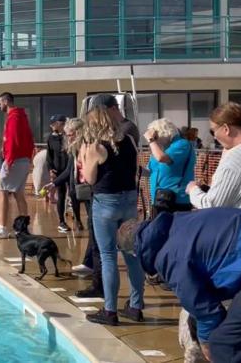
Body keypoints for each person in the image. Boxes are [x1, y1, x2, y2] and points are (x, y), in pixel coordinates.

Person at [125, 208, 241, 363]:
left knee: (225, 344)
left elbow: (207, 313)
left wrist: (206, 344)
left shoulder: (169, 258)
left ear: (135, 252)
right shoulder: (178, 222)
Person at [80, 106, 144, 326]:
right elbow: (134, 169)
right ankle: (136, 306)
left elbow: (89, 178)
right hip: (129, 200)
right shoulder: (130, 140)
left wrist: (84, 156)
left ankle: (110, 311)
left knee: (108, 256)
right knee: (131, 254)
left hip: (105, 201)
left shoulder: (96, 146)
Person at [44, 119, 95, 288]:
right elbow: (68, 171)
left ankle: (91, 262)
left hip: (91, 192)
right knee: (91, 226)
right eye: (67, 134)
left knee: (94, 227)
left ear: (79, 133)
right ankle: (90, 261)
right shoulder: (74, 150)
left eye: (70, 134)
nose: (68, 137)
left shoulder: (88, 147)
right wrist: (54, 183)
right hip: (80, 191)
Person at [186, 102, 241, 211]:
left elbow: (212, 206)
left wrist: (192, 189)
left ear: (226, 129)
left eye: (213, 131)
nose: (214, 137)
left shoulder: (238, 156)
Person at [0, 93, 35, 239]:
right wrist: (28, 158)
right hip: (23, 160)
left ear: (6, 101)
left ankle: (2, 228)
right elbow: (29, 140)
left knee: (2, 191)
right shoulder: (22, 117)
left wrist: (8, 160)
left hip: (15, 160)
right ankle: (24, 229)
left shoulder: (14, 117)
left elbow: (12, 140)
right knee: (19, 194)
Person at [143, 118, 195, 216]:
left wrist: (151, 140)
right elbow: (150, 171)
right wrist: (134, 170)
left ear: (164, 133)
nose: (156, 140)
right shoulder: (158, 149)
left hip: (177, 199)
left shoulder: (182, 144)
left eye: (156, 136)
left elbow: (162, 158)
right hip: (159, 199)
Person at [46, 115, 71, 233]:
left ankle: (78, 220)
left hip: (70, 169)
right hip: (59, 170)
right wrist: (51, 169)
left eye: (53, 124)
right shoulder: (51, 138)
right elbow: (49, 155)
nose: (51, 126)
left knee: (75, 194)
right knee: (61, 194)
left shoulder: (69, 136)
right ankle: (61, 221)